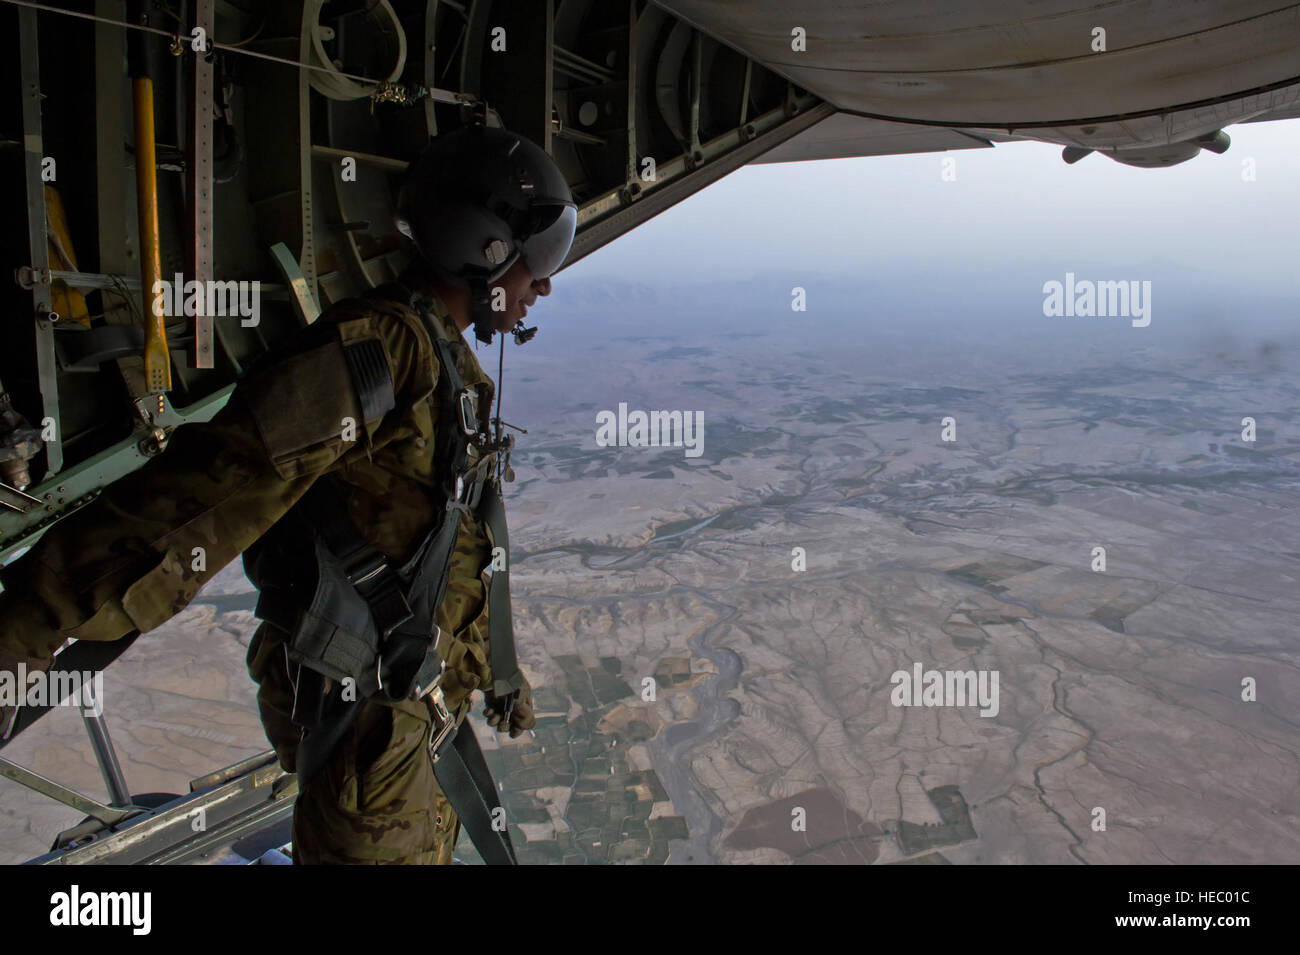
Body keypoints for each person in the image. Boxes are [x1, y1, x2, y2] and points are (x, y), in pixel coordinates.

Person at [0, 123, 576, 864]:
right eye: (538, 259)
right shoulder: (380, 353)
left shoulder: (445, 366)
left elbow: (459, 540)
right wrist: (27, 628)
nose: (545, 284)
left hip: (408, 731)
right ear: (484, 246)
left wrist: (495, 669)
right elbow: (215, 485)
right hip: (369, 740)